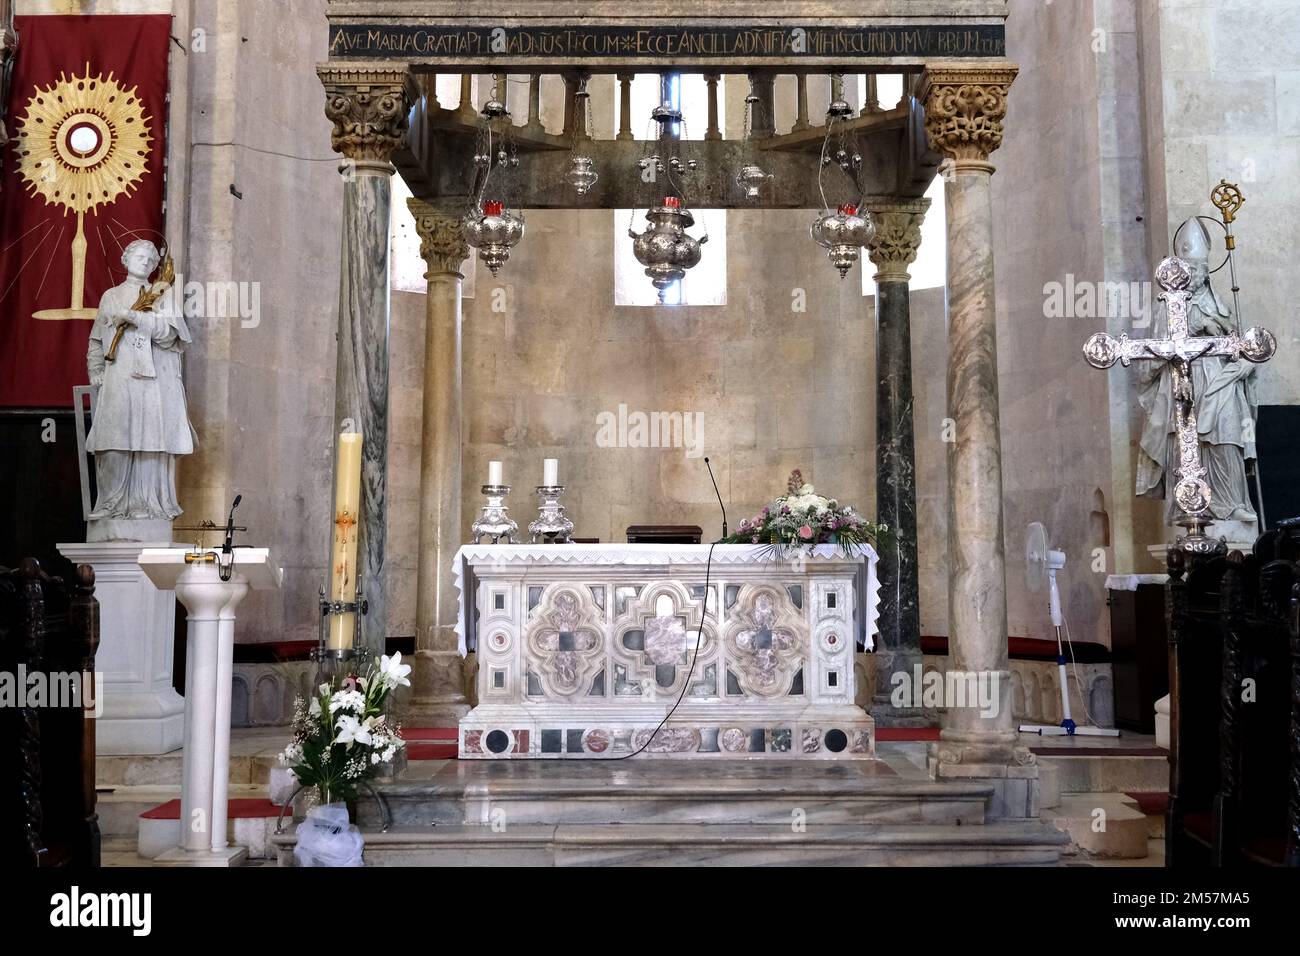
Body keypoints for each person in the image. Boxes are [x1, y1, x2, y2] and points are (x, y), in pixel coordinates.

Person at [85, 239, 196, 522]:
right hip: (119, 375)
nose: (145, 262)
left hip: (153, 380)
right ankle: (112, 503)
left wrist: (136, 317)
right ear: (126, 259)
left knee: (151, 441)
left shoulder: (162, 294)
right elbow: (97, 340)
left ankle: (147, 504)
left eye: (150, 259)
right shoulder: (110, 296)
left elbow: (171, 334)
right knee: (115, 438)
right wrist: (96, 369)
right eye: (139, 256)